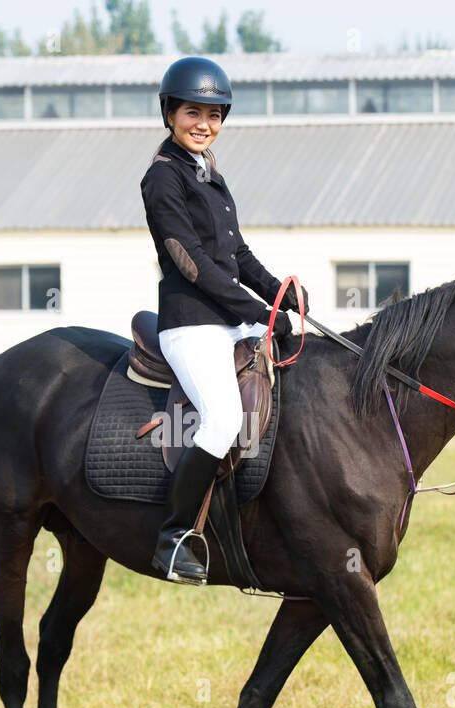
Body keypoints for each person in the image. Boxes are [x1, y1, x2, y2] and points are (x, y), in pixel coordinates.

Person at [140, 56, 309, 584]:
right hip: (191, 325)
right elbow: (192, 264)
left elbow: (237, 256)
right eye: (193, 112)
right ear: (170, 113)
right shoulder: (162, 179)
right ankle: (173, 538)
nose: (204, 124)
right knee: (223, 420)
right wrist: (261, 314)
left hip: (229, 321)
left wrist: (281, 293)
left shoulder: (212, 175)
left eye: (214, 115)